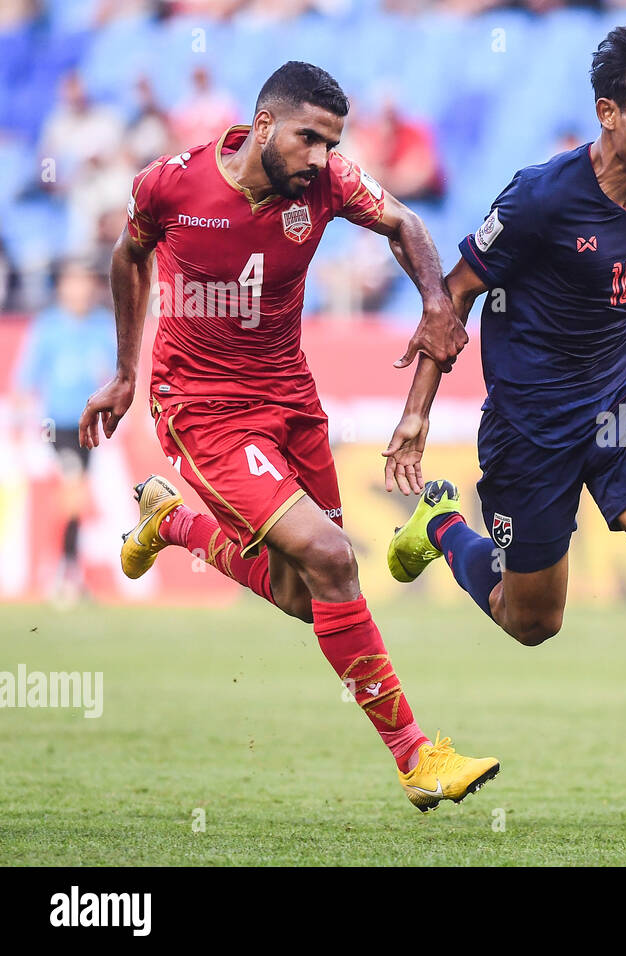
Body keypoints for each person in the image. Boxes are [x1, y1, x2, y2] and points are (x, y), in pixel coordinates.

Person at [79, 61, 499, 813]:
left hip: (290, 402)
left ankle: (169, 521)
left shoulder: (327, 186)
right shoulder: (171, 186)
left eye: (331, 144)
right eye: (309, 139)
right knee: (334, 559)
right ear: (264, 124)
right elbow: (128, 256)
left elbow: (406, 222)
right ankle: (416, 757)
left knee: (306, 596)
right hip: (201, 407)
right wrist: (123, 373)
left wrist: (437, 302)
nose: (320, 159)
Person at [382, 24, 626, 845]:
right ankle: (443, 528)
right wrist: (415, 415)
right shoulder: (541, 198)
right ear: (607, 113)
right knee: (533, 623)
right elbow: (448, 299)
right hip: (532, 425)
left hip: (622, 398)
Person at [12, 260, 116, 600]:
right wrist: (24, 423)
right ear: (62, 287)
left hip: (90, 426)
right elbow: (26, 379)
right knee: (73, 485)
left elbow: (118, 375)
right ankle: (65, 571)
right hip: (56, 425)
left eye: (85, 283)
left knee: (76, 496)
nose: (80, 290)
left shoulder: (101, 325)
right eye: (74, 282)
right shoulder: (49, 326)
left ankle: (65, 569)